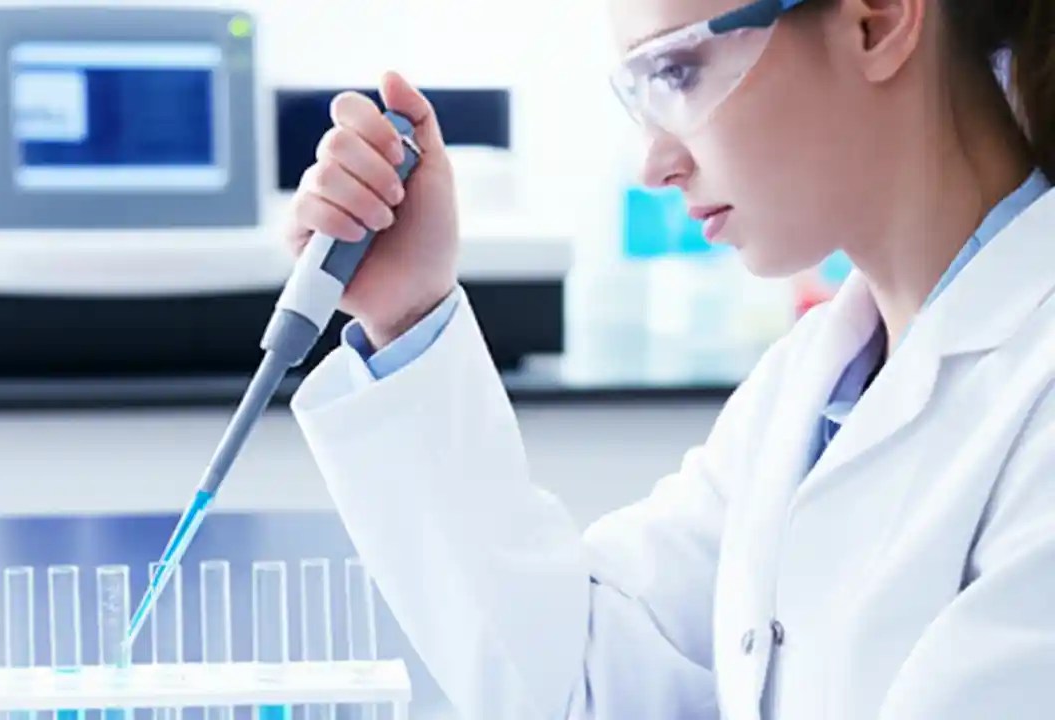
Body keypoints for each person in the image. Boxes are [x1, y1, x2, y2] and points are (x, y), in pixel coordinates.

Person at [283, 0, 1055, 717]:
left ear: (875, 21)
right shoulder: (813, 387)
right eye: (640, 93)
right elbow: (584, 678)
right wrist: (409, 312)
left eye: (678, 72)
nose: (653, 165)